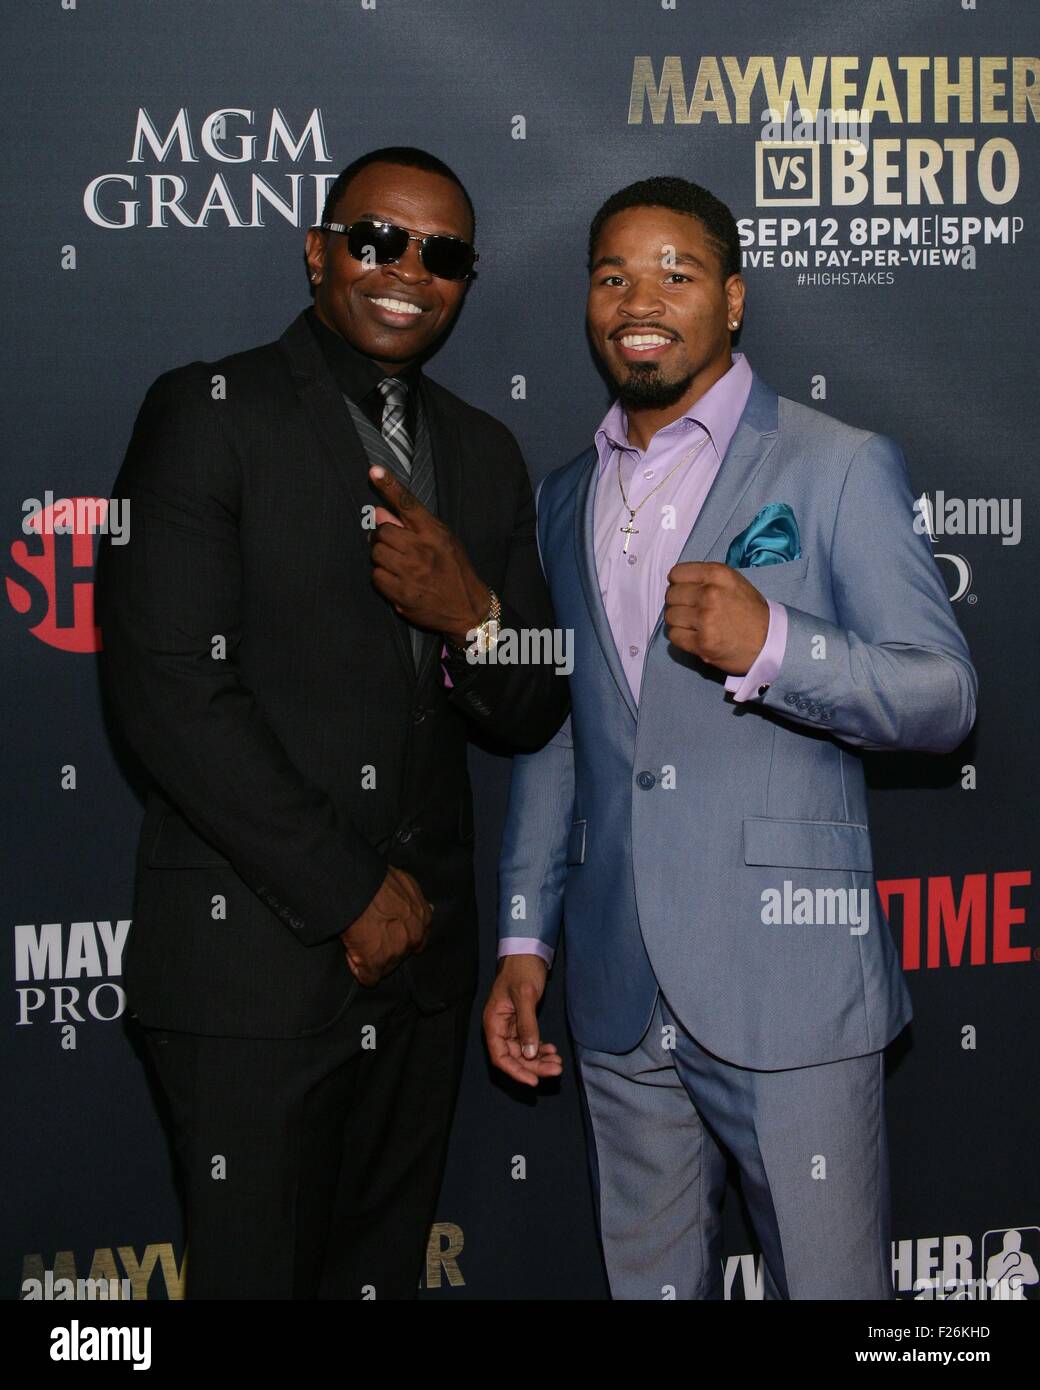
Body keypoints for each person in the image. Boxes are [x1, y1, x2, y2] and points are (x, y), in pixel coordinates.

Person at [483, 176, 977, 1300]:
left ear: (733, 299)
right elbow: (562, 736)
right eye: (612, 276)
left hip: (785, 986)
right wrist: (524, 940)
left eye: (675, 271)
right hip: (615, 993)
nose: (638, 299)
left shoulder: (834, 462)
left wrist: (776, 646)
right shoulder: (564, 495)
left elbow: (944, 693)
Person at [96, 145, 568, 1299]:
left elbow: (539, 693)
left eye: (442, 253)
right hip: (251, 966)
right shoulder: (209, 411)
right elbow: (167, 693)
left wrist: (478, 619)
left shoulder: (483, 450)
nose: (407, 269)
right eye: (376, 239)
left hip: (418, 986)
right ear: (317, 252)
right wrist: (346, 892)